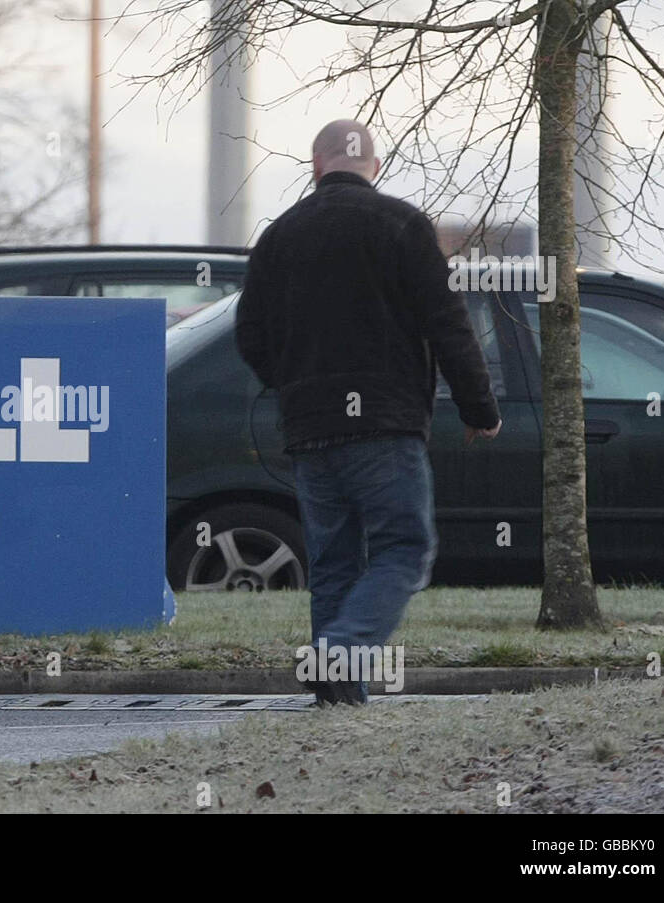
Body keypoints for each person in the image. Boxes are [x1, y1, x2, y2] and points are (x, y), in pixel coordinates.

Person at [235, 120, 502, 706]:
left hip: (311, 428)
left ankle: (339, 698)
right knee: (404, 549)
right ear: (373, 167)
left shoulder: (280, 236)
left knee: (333, 563)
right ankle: (339, 652)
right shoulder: (404, 225)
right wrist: (479, 407)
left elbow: (249, 333)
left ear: (316, 166)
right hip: (384, 424)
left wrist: (294, 387)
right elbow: (448, 324)